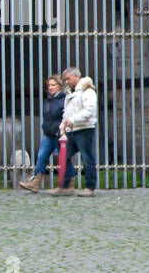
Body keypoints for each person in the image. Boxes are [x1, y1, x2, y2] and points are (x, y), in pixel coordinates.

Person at [19, 75, 69, 193]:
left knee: (64, 159)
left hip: (59, 133)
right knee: (41, 157)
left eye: (53, 85)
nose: (50, 88)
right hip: (48, 133)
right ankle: (36, 182)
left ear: (60, 86)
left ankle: (67, 184)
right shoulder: (48, 100)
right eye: (49, 85)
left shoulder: (64, 100)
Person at [55, 67, 99, 197]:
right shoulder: (70, 92)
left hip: (84, 128)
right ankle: (66, 186)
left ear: (76, 77)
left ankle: (90, 187)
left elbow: (89, 110)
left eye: (68, 79)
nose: (66, 82)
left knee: (87, 157)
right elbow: (68, 111)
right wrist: (63, 126)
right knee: (64, 156)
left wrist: (73, 120)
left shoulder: (87, 91)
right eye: (65, 79)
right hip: (71, 129)